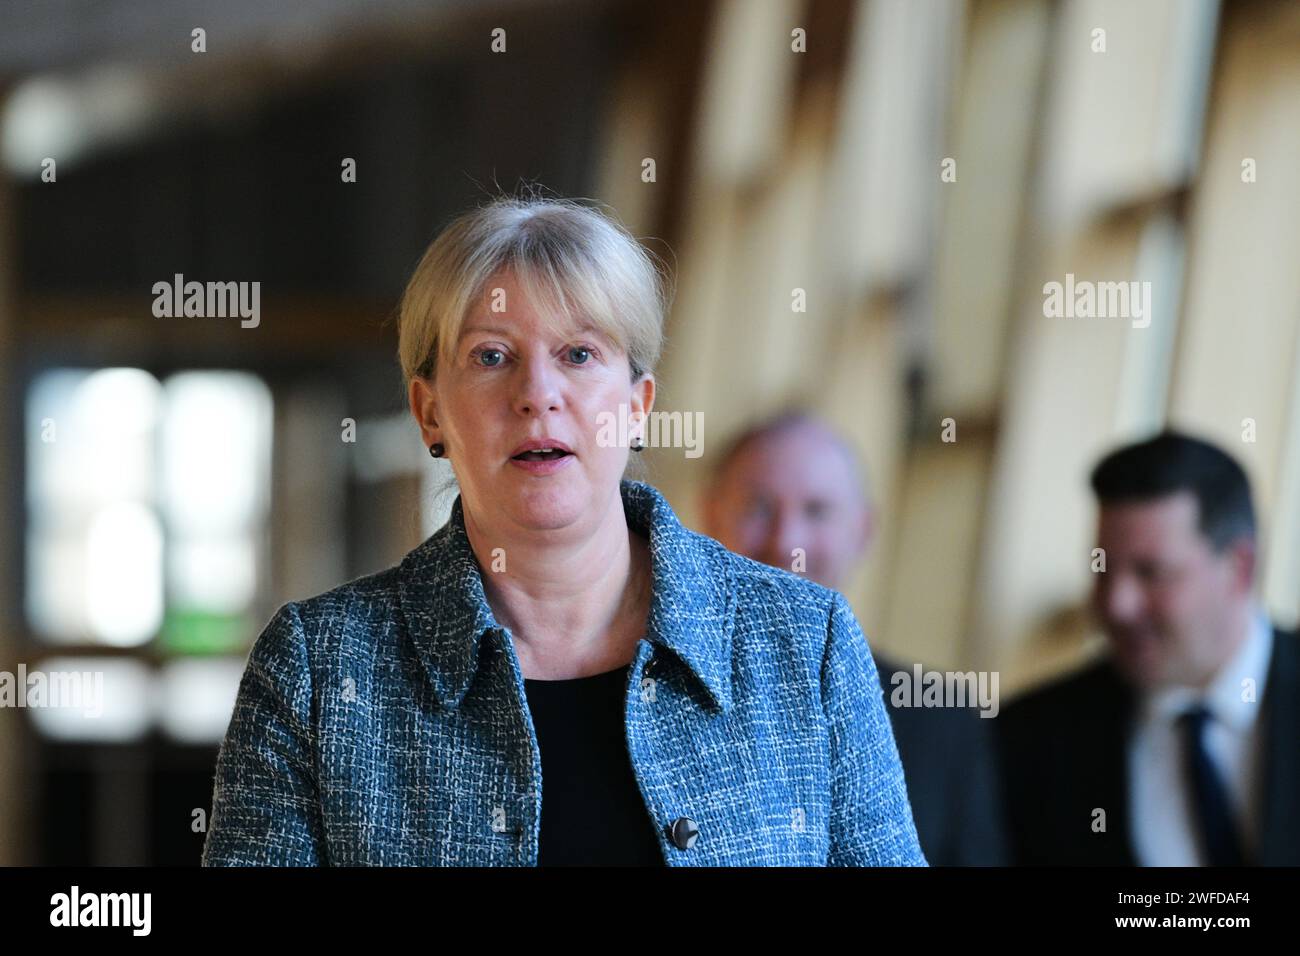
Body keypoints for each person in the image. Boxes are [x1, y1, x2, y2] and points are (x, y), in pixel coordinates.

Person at [201, 192, 926, 866]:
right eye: (491, 357)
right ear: (429, 413)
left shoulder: (805, 642)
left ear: (638, 405)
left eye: (579, 355)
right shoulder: (318, 671)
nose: (537, 395)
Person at [703, 412, 1007, 865]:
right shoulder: (646, 689)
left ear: (862, 530)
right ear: (709, 515)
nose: (788, 543)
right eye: (758, 508)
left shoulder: (942, 718)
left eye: (817, 511)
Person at [998, 431, 1300, 865]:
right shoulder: (1031, 739)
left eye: (1151, 572)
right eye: (1103, 570)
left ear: (1240, 567)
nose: (1117, 605)